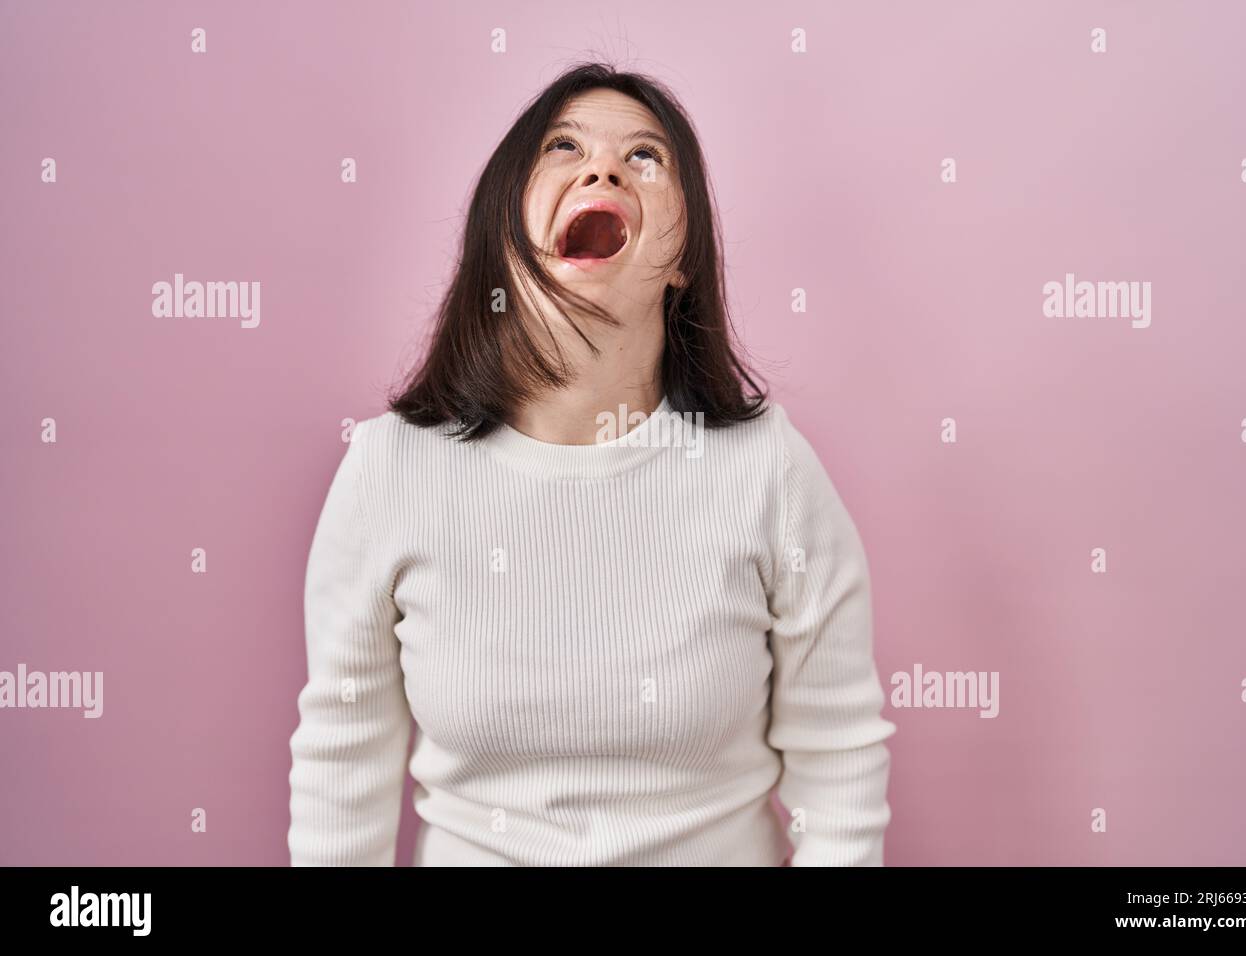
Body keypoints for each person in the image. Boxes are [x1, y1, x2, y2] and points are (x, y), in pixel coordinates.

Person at [287, 62, 896, 866]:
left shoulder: (768, 473)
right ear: (501, 233)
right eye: (562, 147)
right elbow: (341, 771)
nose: (603, 168)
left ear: (684, 258)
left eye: (646, 157)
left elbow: (841, 768)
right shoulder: (387, 471)